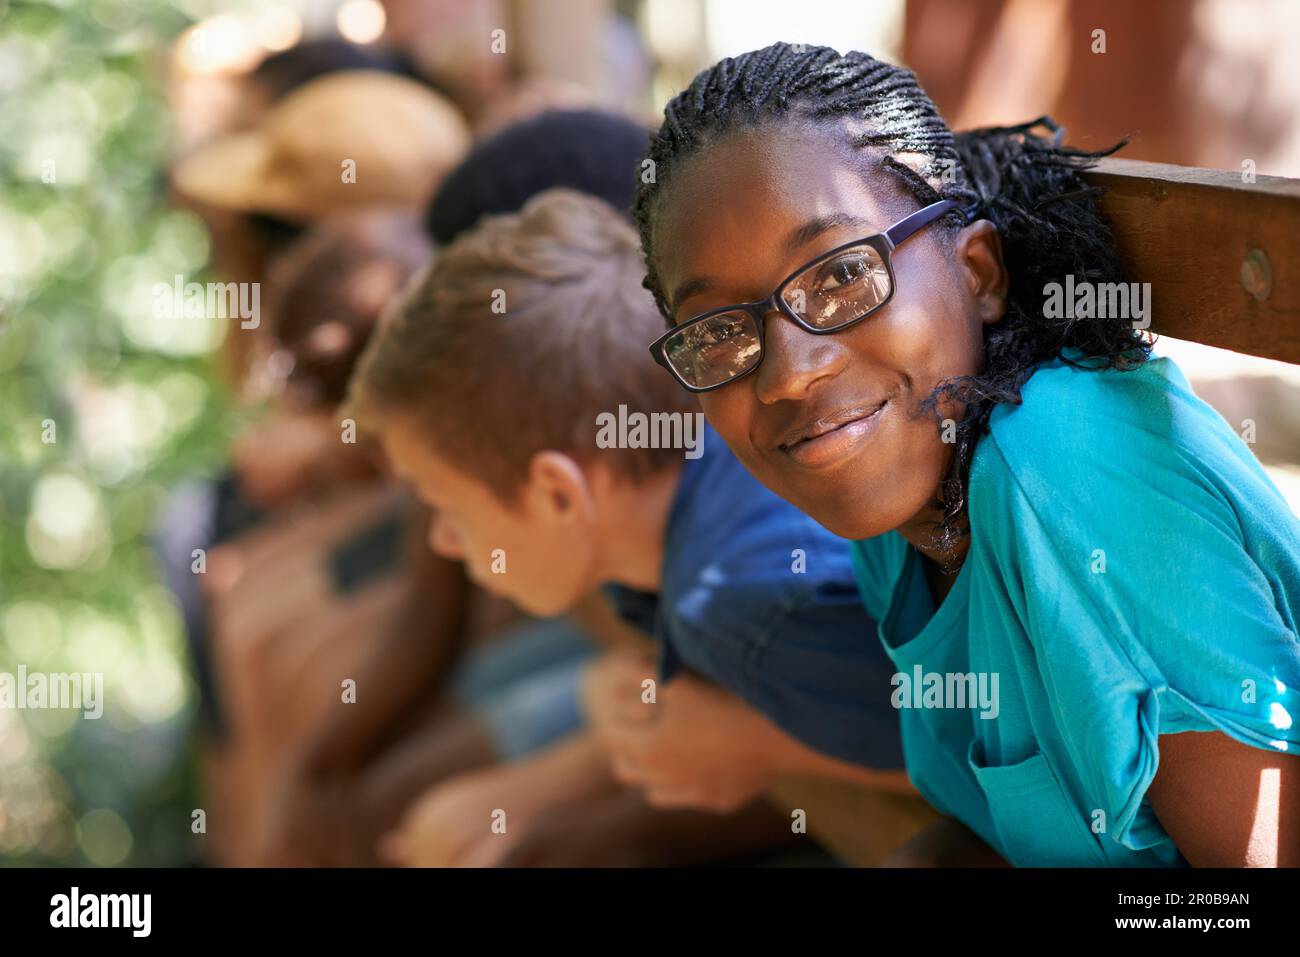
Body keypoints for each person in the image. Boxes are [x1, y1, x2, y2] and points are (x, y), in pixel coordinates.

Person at [632, 41, 1300, 867]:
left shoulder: (1060, 470)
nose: (789, 375)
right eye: (723, 331)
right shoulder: (902, 502)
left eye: (841, 276)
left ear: (977, 271)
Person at [347, 189, 935, 868]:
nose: (441, 541)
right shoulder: (709, 472)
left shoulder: (746, 609)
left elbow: (999, 736)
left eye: (444, 505)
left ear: (559, 494)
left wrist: (761, 745)